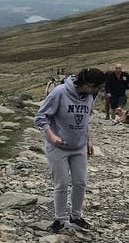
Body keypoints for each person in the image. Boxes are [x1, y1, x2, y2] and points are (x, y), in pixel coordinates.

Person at [34, 67, 106, 233]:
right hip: (58, 146)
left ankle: (76, 217)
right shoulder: (59, 93)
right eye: (98, 87)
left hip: (79, 146)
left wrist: (88, 139)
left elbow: (86, 118)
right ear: (89, 84)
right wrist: (51, 136)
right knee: (61, 184)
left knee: (80, 183)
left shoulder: (90, 94)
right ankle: (59, 220)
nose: (99, 91)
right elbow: (40, 116)